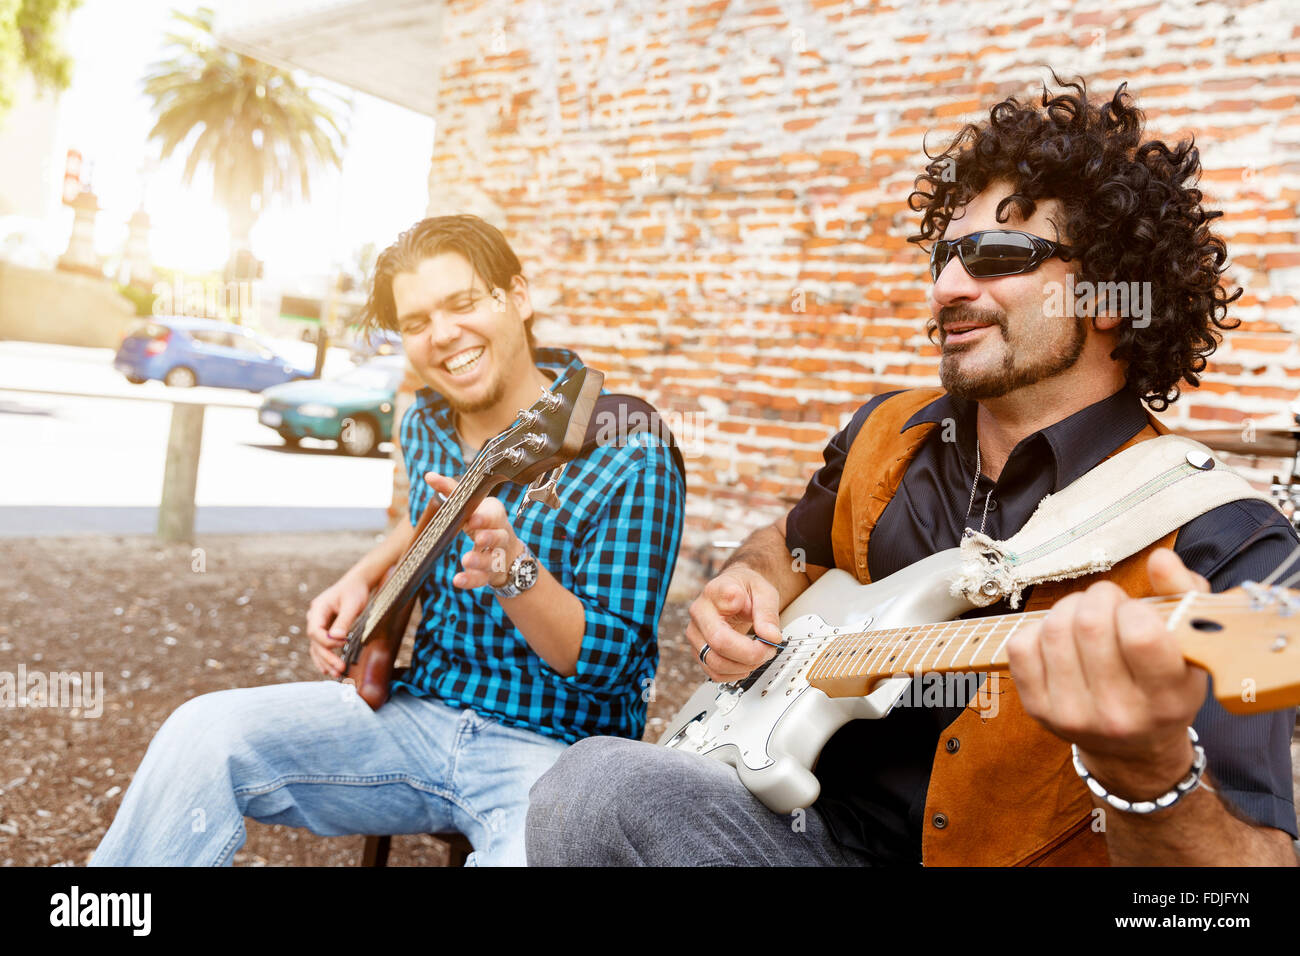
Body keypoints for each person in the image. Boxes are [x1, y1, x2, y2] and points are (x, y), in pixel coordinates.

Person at [526, 78, 1300, 866]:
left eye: (998, 257)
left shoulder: (1224, 544)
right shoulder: (886, 429)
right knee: (591, 782)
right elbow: (794, 546)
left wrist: (1147, 771)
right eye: (945, 256)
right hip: (799, 831)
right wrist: (749, 581)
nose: (945, 289)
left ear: (1109, 296)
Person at [91, 215, 685, 866]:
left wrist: (516, 573)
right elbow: (426, 514)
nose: (443, 335)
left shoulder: (630, 447)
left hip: (556, 756)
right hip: (417, 717)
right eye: (416, 322)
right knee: (201, 732)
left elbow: (611, 667)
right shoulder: (426, 420)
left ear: (517, 297)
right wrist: (362, 575)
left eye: (462, 303)